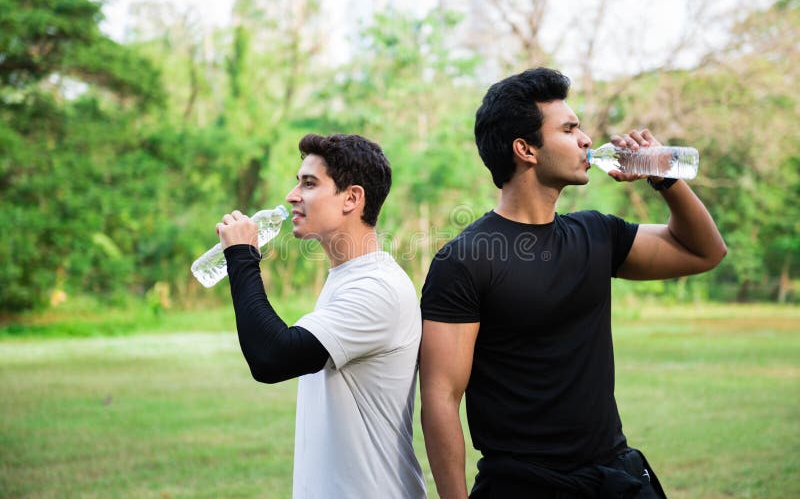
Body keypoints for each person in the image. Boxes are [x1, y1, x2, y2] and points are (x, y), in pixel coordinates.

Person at [419, 68, 727, 498]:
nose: (586, 139)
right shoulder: (465, 259)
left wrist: (665, 177)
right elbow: (441, 397)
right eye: (569, 129)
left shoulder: (596, 233)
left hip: (616, 477)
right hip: (524, 486)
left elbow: (704, 252)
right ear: (525, 149)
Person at [216, 133, 426, 499]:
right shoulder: (348, 278)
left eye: (309, 183)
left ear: (352, 198)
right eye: (297, 182)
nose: (292, 195)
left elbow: (272, 357)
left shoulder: (377, 288)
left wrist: (241, 257)